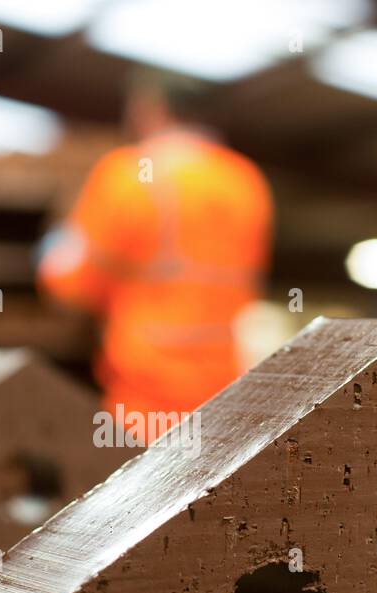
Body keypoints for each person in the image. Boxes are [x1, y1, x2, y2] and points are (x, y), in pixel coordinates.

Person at [37, 69, 274, 439]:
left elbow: (73, 286)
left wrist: (53, 250)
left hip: (146, 393)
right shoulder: (245, 181)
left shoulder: (127, 175)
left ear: (149, 108)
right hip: (224, 389)